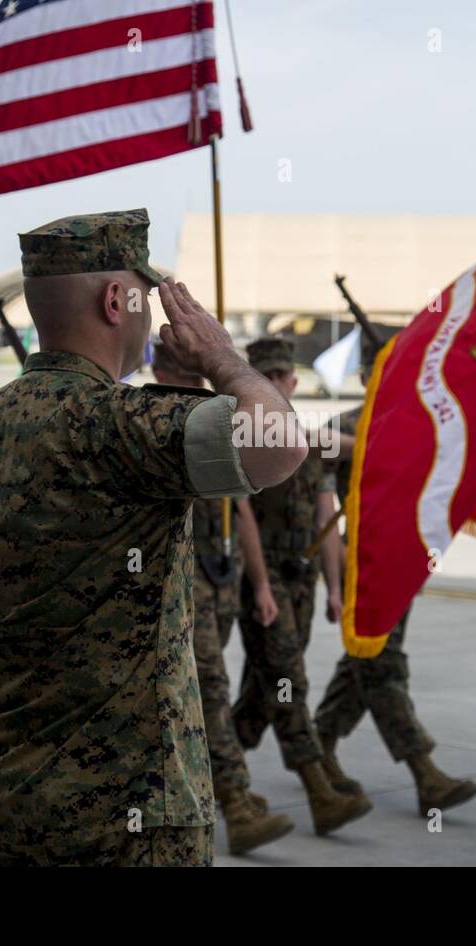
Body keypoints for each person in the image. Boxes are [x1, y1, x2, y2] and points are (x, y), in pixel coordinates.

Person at [0, 209, 307, 867]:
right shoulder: (128, 427)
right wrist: (224, 359)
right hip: (133, 828)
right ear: (117, 301)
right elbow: (282, 443)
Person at [313, 327, 476, 815]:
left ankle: (318, 741)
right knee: (383, 668)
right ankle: (424, 772)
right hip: (357, 567)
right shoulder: (341, 429)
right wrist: (335, 582)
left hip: (401, 563)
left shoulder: (417, 425)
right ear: (366, 376)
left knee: (364, 662)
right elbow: (322, 505)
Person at [149, 341, 294, 855]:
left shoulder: (210, 423)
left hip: (220, 579)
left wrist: (259, 584)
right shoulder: (151, 424)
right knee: (209, 685)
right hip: (180, 584)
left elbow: (244, 508)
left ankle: (222, 789)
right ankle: (234, 802)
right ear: (164, 373)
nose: (198, 391)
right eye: (191, 380)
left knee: (208, 688)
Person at [232, 337, 372, 835]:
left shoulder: (311, 443)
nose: (275, 384)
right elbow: (242, 511)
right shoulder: (249, 435)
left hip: (302, 582)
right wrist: (263, 586)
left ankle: (213, 770)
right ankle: (317, 789)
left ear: (293, 381)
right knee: (289, 680)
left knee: (263, 688)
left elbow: (325, 517)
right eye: (263, 377)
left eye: (281, 376)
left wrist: (334, 589)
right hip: (261, 583)